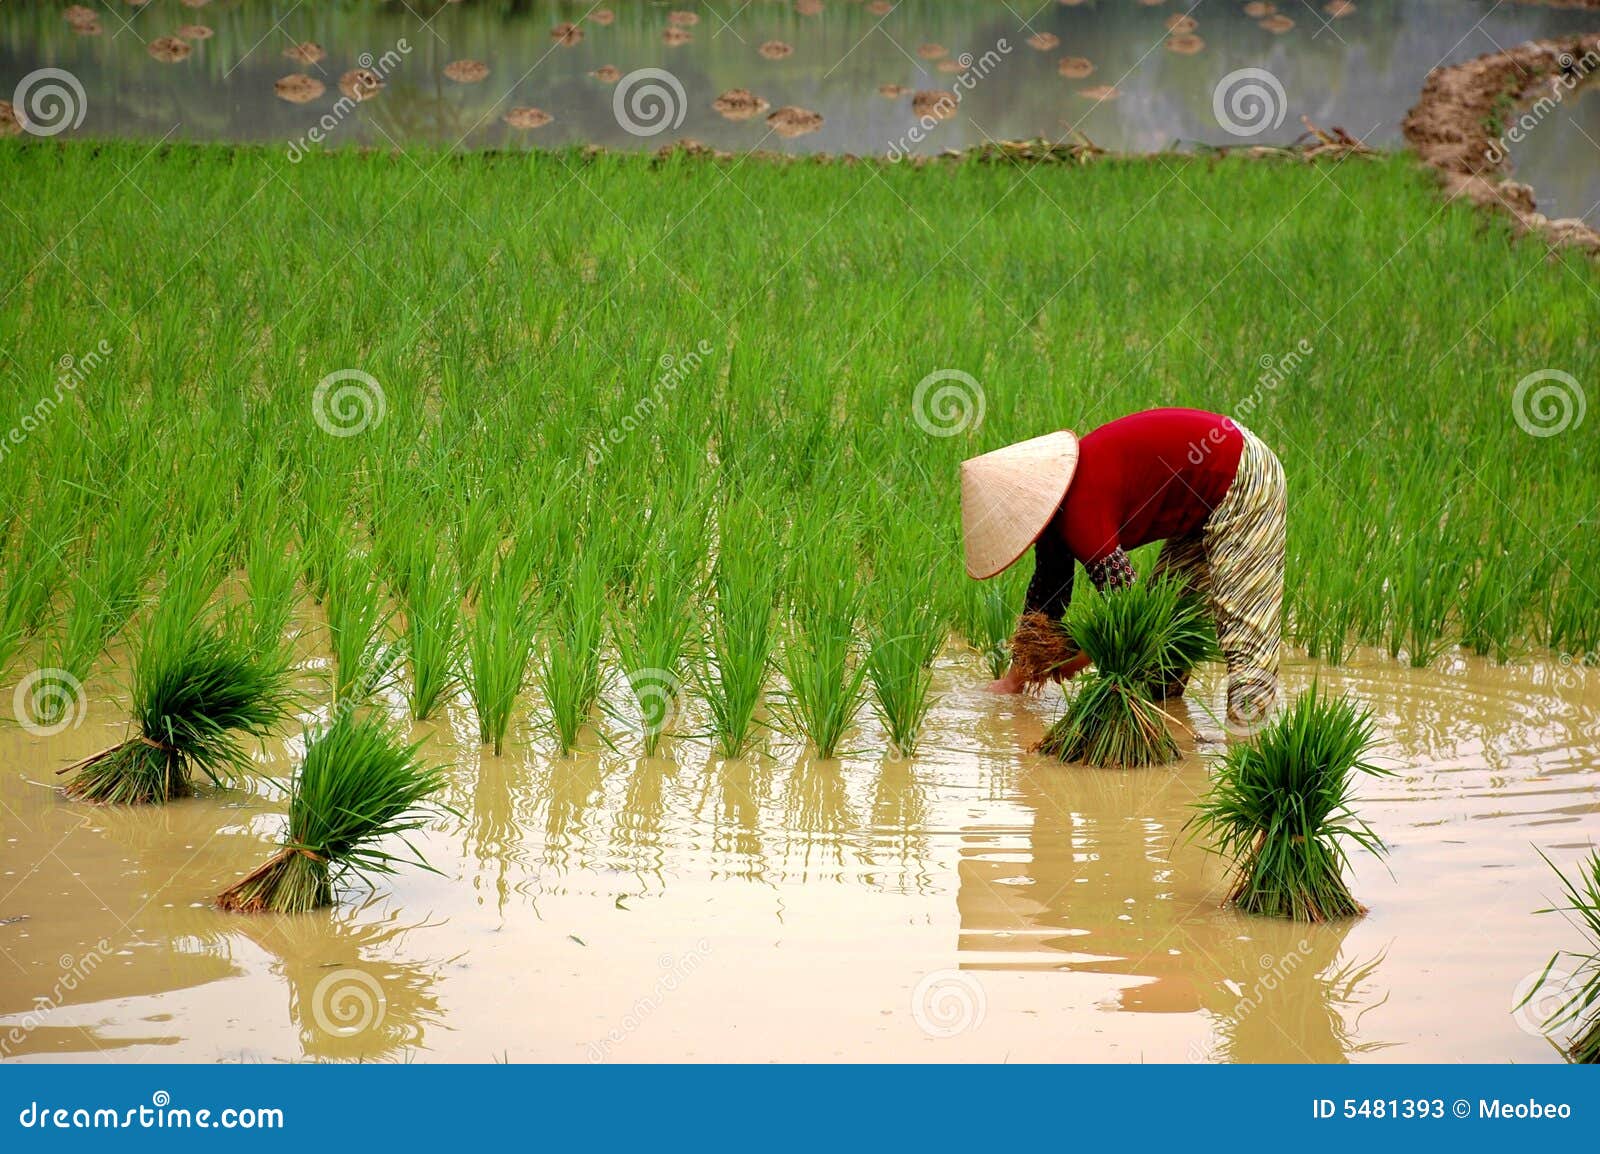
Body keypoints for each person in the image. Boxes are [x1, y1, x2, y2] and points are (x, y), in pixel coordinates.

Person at [959, 407, 1286, 728]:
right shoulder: (1053, 518)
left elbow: (1129, 606)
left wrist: (1083, 656)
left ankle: (1250, 752)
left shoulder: (1080, 512)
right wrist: (1014, 680)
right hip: (1204, 495)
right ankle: (1168, 730)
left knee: (1243, 631)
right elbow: (1048, 595)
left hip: (1242, 472)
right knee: (1167, 637)